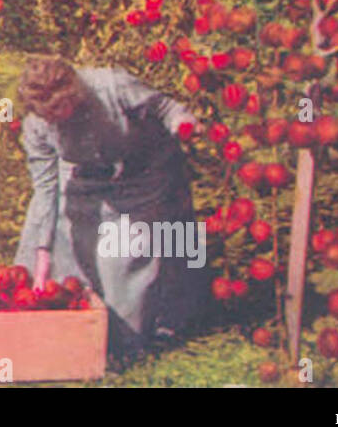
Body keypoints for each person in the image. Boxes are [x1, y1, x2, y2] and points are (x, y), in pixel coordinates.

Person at [13, 56, 208, 357]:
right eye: (47, 116)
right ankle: (61, 330)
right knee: (61, 241)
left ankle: (126, 340)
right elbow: (45, 191)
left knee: (128, 257)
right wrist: (41, 261)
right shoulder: (38, 126)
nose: (55, 120)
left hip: (144, 171)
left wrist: (183, 124)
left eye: (59, 111)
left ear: (74, 94)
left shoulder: (112, 86)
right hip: (89, 174)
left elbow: (165, 108)